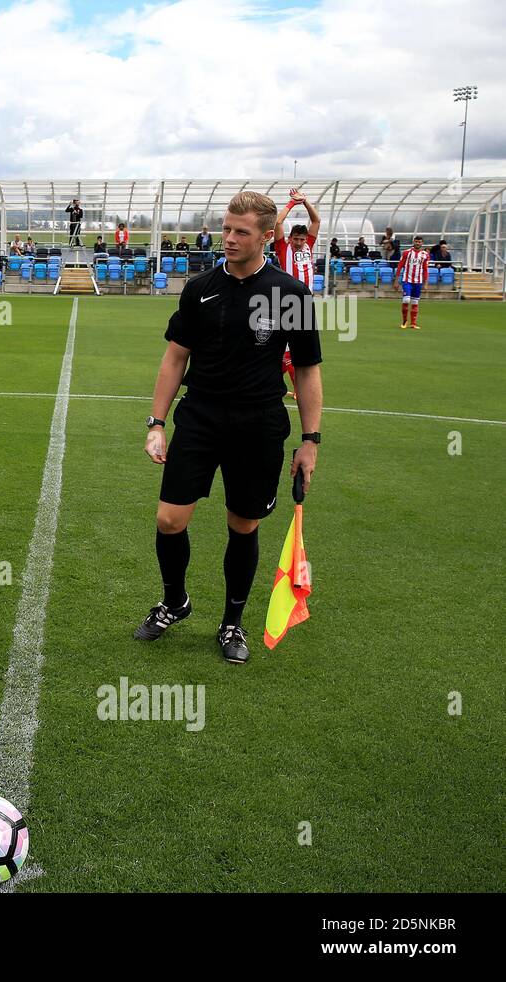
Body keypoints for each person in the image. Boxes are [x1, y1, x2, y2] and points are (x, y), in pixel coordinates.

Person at [136, 191, 323, 665]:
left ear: (266, 236)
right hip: (199, 417)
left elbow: (306, 370)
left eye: (242, 231)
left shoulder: (291, 295)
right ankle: (175, 602)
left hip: (259, 424)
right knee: (169, 519)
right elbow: (175, 356)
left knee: (243, 524)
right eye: (226, 228)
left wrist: (310, 441)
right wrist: (157, 422)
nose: (230, 238)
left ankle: (231, 621)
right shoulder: (199, 288)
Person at [273, 189, 321, 401]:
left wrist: (305, 202)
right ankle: (289, 386)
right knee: (289, 346)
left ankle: (274, 381)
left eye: (302, 239)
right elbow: (277, 223)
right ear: (290, 238)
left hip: (306, 301)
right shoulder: (283, 248)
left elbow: (316, 220)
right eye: (296, 239)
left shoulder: (309, 245)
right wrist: (292, 203)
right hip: (288, 300)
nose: (300, 242)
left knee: (292, 347)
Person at [396, 234, 431, 330]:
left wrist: (426, 283)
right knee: (406, 300)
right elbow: (400, 266)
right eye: (416, 241)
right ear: (413, 242)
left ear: (422, 243)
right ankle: (404, 321)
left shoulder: (425, 255)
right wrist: (396, 280)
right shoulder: (406, 253)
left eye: (419, 242)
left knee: (415, 302)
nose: (417, 243)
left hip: (418, 281)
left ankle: (413, 323)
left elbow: (425, 269)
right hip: (407, 280)